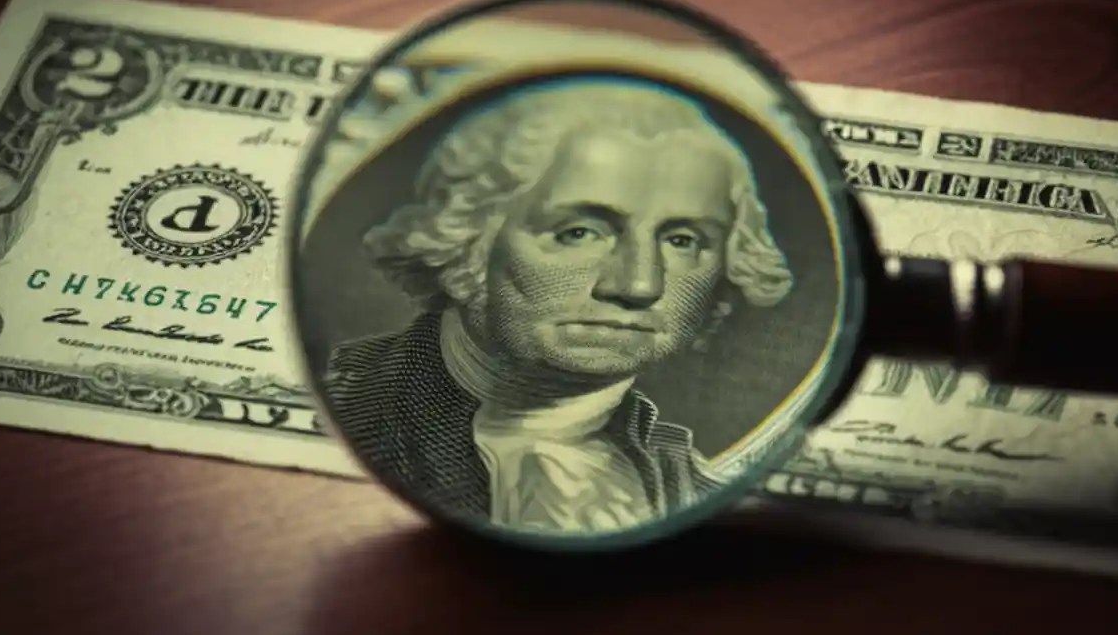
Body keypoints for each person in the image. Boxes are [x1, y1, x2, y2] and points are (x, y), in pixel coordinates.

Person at [323, 76, 794, 534]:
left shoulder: (701, 496)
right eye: (578, 233)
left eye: (682, 239)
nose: (637, 284)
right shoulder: (344, 407)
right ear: (467, 239)